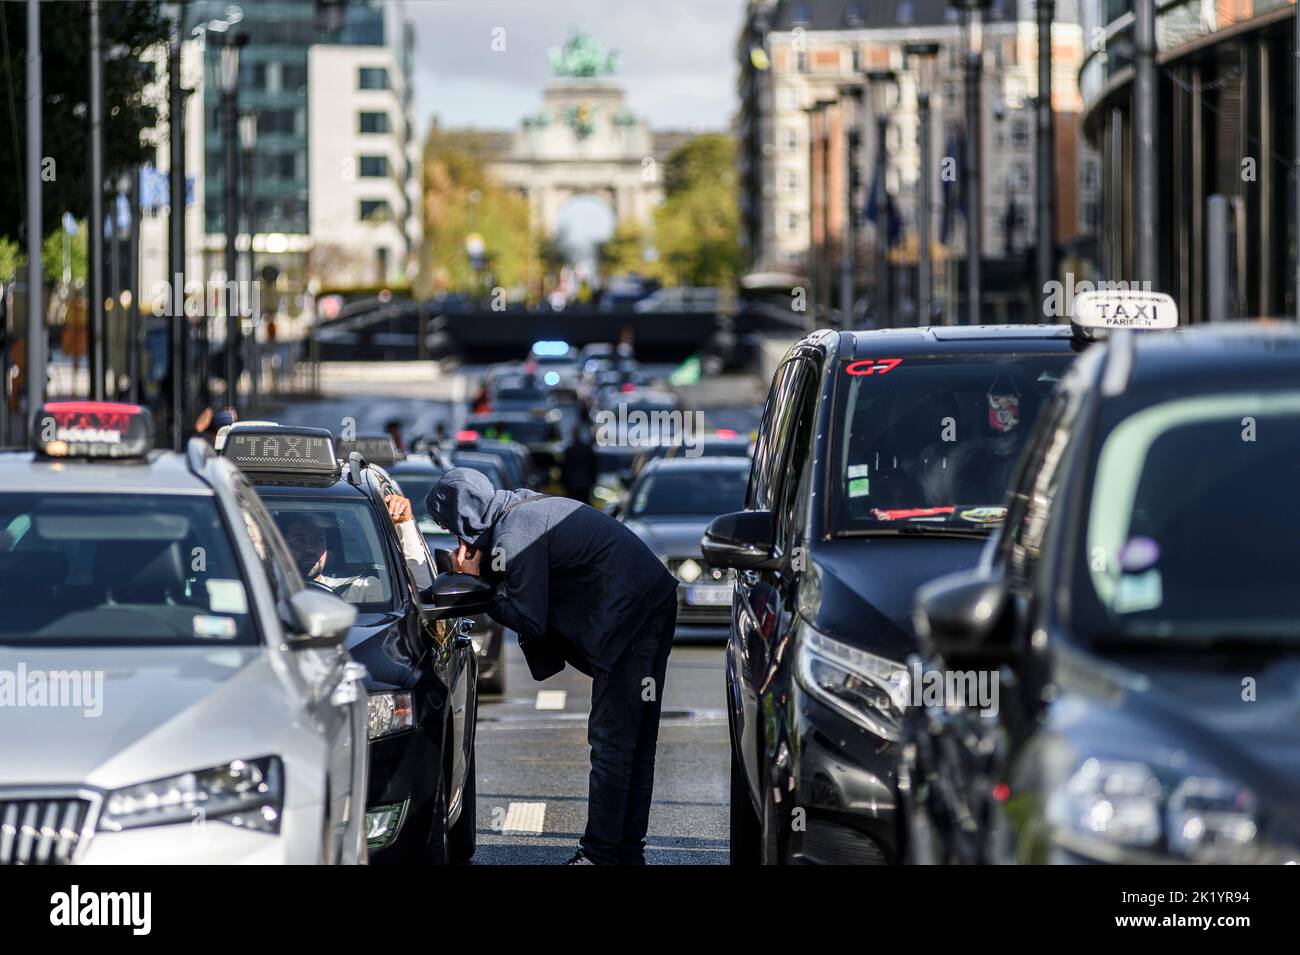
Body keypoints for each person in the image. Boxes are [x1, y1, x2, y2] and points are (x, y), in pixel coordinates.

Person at [426, 467, 677, 865]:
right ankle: (625, 852)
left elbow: (529, 619)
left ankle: (601, 854)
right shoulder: (515, 511)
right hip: (650, 602)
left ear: (463, 516)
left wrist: (476, 583)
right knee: (633, 745)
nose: (457, 539)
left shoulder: (515, 532)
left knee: (613, 743)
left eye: (450, 526)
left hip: (631, 617)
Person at [281, 494, 430, 602]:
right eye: (299, 541)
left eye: (318, 540)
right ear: (280, 546)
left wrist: (405, 523)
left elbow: (423, 591)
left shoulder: (357, 590)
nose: (310, 549)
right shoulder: (262, 593)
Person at [559, 423, 597, 505]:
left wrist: (563, 482)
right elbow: (593, 467)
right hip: (584, 484)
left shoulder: (570, 450)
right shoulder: (586, 449)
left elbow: (564, 468)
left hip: (573, 484)